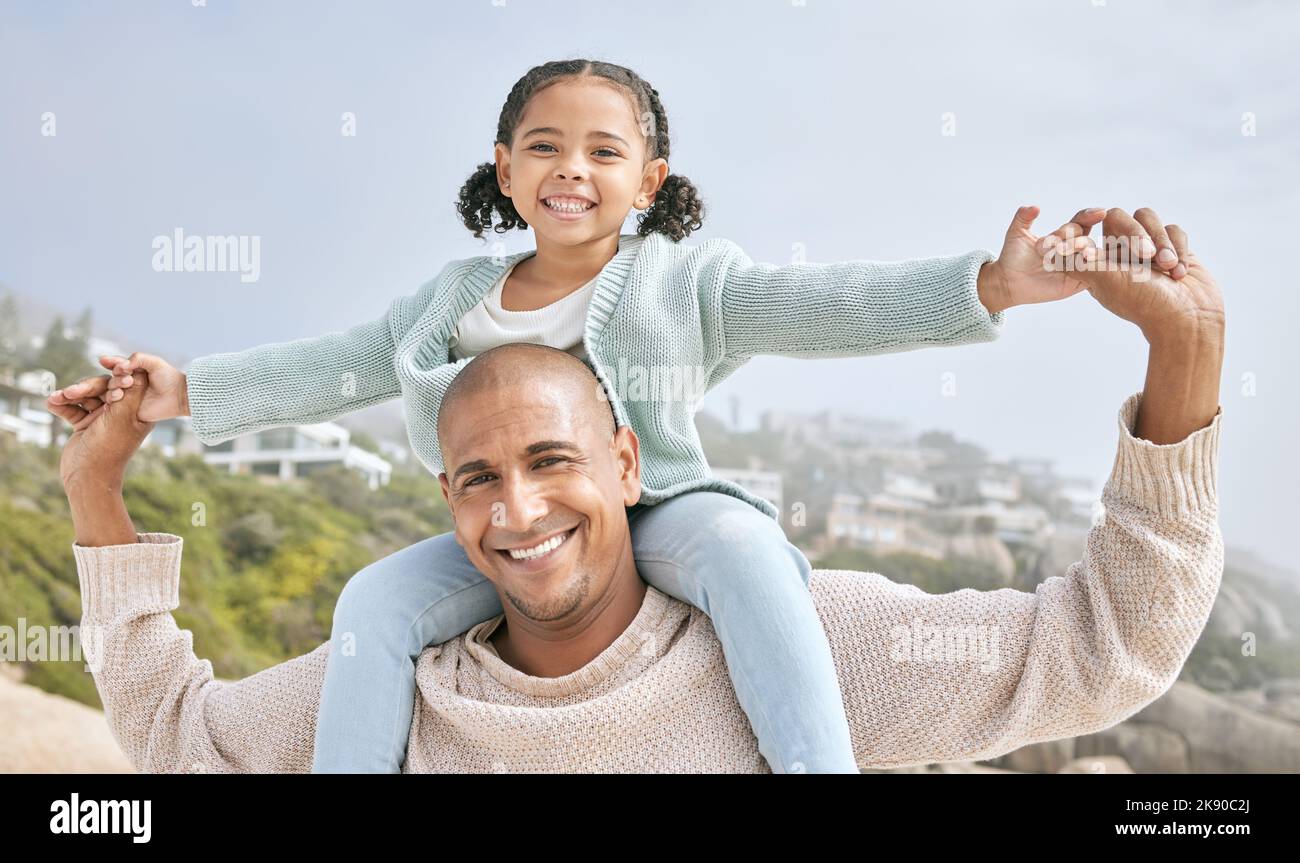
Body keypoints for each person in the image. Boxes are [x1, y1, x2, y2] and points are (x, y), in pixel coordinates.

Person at [48, 58, 1193, 773]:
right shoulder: (446, 302)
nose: (571, 168)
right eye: (543, 145)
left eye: (605, 149)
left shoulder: (683, 283)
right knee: (366, 601)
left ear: (649, 179)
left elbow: (832, 302)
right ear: (503, 168)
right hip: (502, 544)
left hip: (674, 516)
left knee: (751, 557)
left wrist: (986, 284)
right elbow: (330, 367)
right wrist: (180, 393)